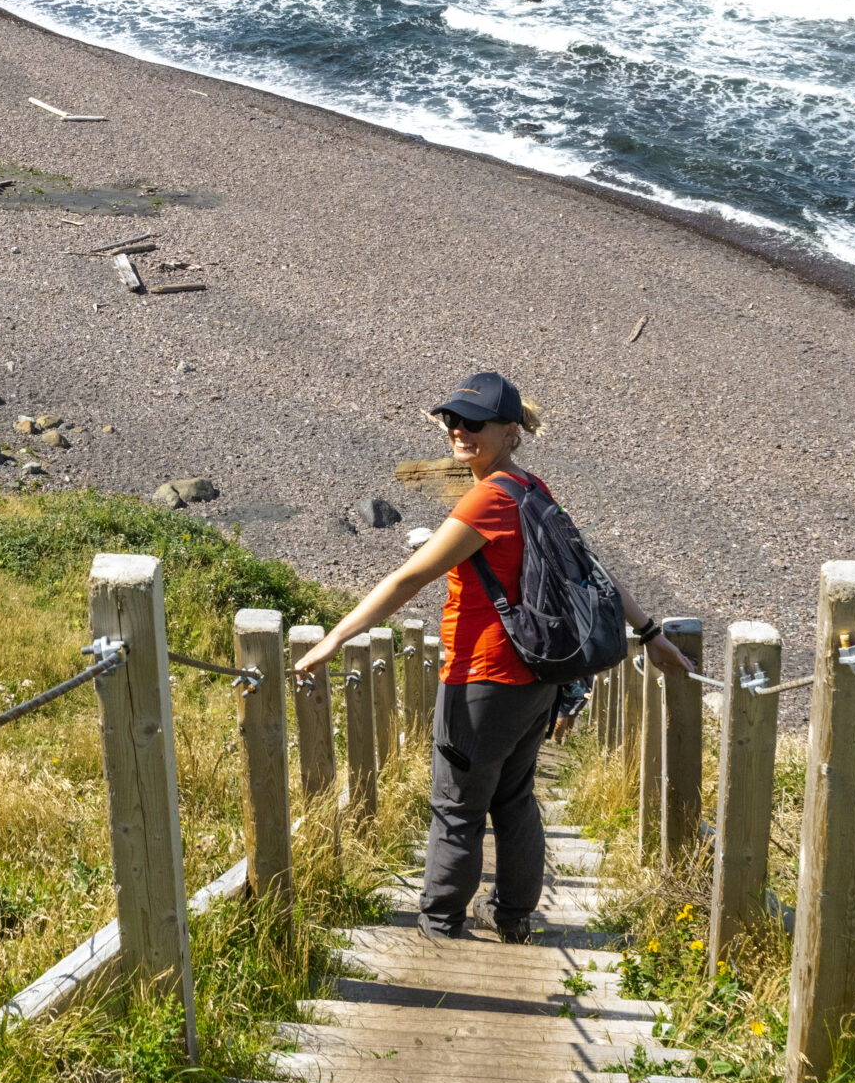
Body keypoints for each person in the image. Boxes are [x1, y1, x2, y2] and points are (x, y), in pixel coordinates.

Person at [295, 370, 692, 943]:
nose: (459, 431)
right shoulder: (532, 488)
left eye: (474, 423)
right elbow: (594, 571)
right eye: (452, 420)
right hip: (536, 677)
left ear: (509, 430)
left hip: (482, 676)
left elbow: (409, 578)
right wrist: (648, 631)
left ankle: (438, 926)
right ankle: (510, 917)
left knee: (457, 806)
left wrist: (335, 639)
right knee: (513, 797)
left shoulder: (487, 500)